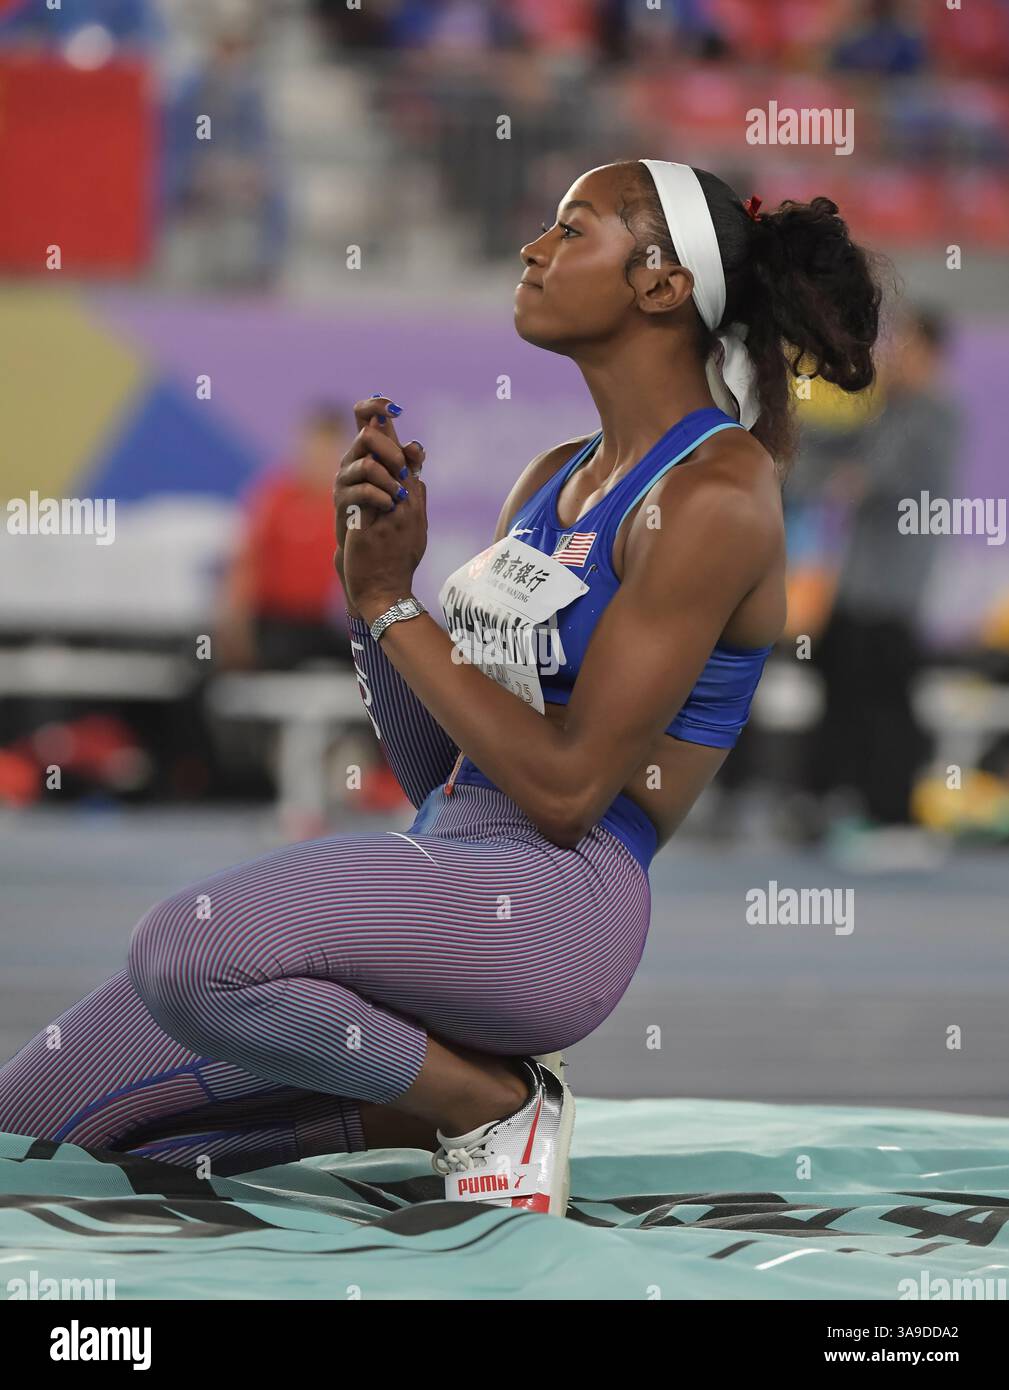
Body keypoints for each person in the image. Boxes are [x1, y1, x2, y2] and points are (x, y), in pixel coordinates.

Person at [0, 161, 881, 1216]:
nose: (533, 249)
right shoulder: (553, 476)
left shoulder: (717, 495)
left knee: (187, 952)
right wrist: (375, 588)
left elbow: (561, 794)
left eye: (574, 228)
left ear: (659, 284)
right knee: (23, 1136)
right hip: (445, 863)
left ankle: (483, 1105)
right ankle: (404, 1112)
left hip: (556, 903)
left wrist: (392, 611)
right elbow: (441, 770)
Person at [804, 305, 960, 835]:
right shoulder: (890, 412)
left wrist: (832, 479)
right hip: (856, 589)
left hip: (893, 592)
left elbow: (872, 475)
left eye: (909, 348)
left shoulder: (937, 416)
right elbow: (834, 445)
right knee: (840, 690)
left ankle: (893, 814)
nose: (896, 358)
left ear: (933, 355)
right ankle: (836, 804)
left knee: (888, 704)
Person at [216, 403, 357, 673]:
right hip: (272, 622)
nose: (320, 458)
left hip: (316, 624)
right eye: (315, 448)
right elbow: (246, 564)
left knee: (372, 663)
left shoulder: (344, 505)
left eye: (329, 450)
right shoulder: (276, 497)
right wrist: (235, 625)